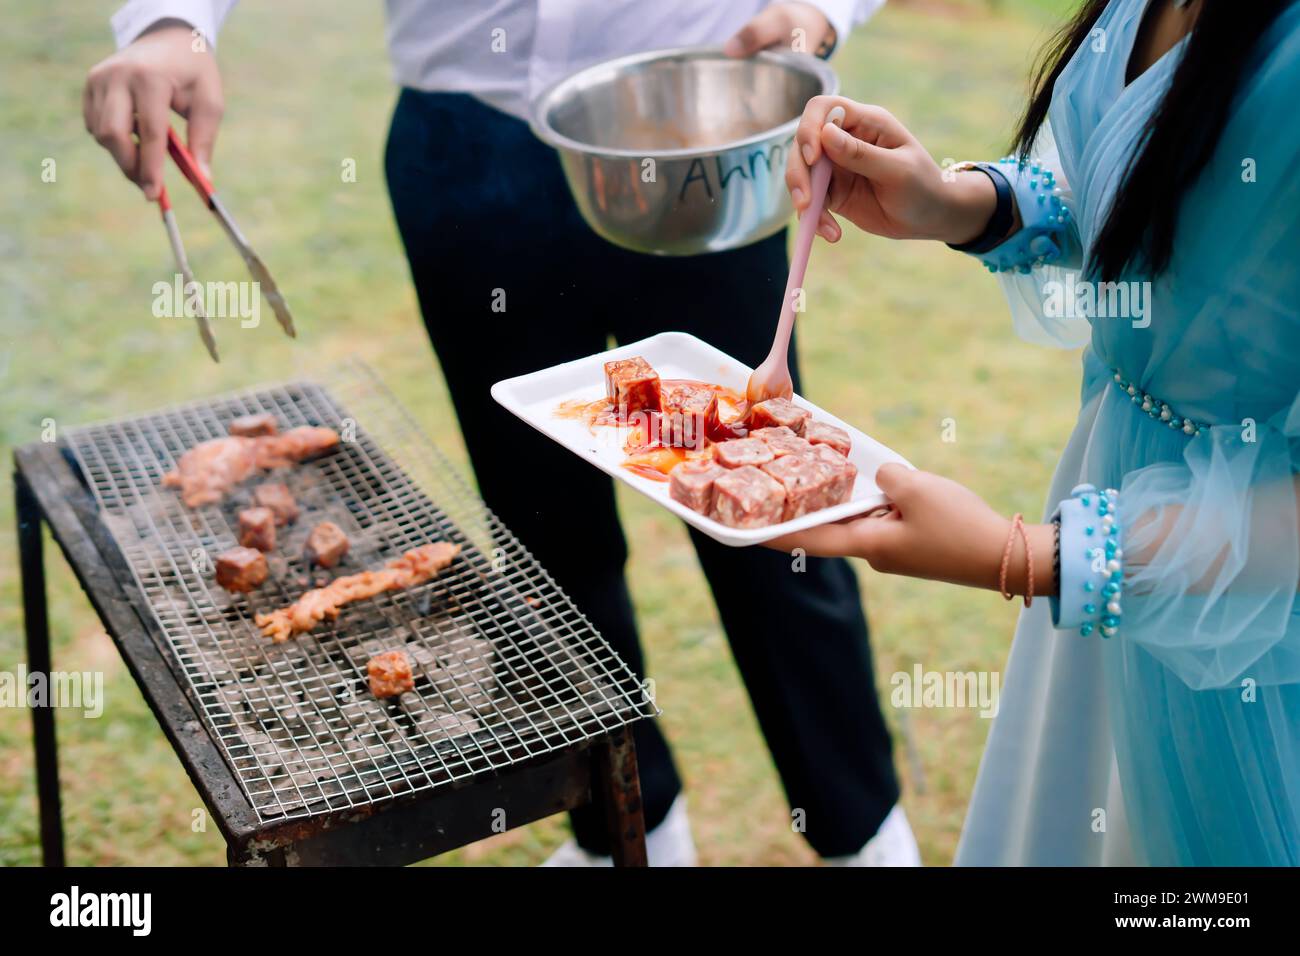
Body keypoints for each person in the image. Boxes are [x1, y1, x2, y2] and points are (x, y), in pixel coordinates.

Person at [85, 0, 921, 866]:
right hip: (463, 141)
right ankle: (628, 833)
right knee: (542, 533)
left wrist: (817, 10)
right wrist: (170, 23)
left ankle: (860, 835)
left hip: (695, 130)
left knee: (776, 521)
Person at [779, 0, 1300, 864]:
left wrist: (1029, 558)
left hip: (1238, 610)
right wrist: (953, 201)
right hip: (1113, 498)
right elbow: (1144, 198)